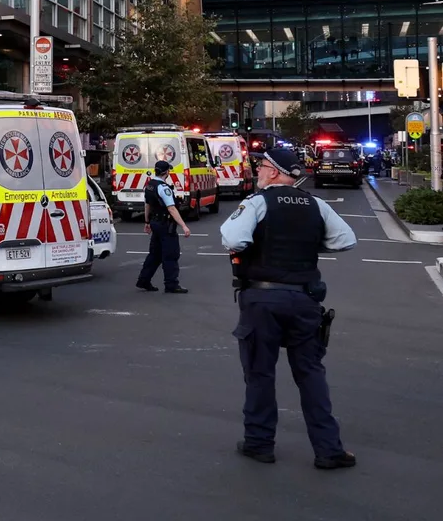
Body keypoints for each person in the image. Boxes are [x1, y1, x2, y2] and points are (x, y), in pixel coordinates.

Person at [220, 147, 357, 469]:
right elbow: (345, 240)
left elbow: (233, 239)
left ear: (273, 171)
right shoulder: (316, 205)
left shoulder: (257, 202)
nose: (257, 171)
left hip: (262, 299)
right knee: (311, 374)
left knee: (260, 374)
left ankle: (259, 443)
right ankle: (328, 450)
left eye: (261, 166)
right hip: (304, 300)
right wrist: (309, 243)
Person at [136, 160, 190, 294]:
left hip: (155, 223)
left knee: (155, 254)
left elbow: (147, 205)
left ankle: (144, 280)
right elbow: (171, 208)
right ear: (167, 172)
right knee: (171, 254)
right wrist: (184, 226)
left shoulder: (150, 185)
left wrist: (147, 222)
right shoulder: (163, 188)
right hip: (166, 225)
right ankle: (171, 284)